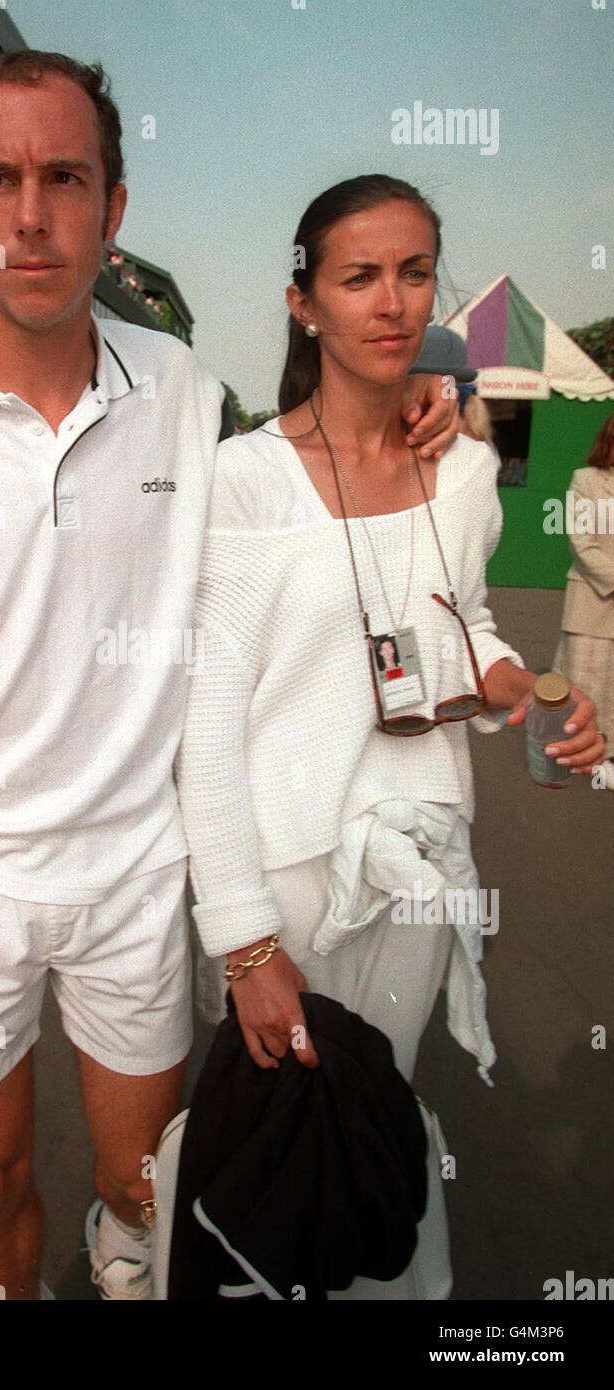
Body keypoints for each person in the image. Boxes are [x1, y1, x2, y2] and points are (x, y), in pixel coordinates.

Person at [0, 58, 459, 1302]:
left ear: (112, 208)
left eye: (64, 179)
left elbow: (303, 474)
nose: (30, 217)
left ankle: (125, 1272)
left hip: (133, 871)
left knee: (145, 1182)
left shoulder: (180, 392)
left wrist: (409, 397)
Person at [175, 174, 604, 1299]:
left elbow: (459, 623)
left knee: (378, 1114)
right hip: (287, 873)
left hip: (419, 857)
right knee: (278, 1135)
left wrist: (532, 686)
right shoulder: (243, 481)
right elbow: (207, 725)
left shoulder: (463, 469)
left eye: (415, 272)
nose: (392, 301)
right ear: (301, 301)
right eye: (358, 275)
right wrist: (247, 942)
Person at [553, 413, 614, 791]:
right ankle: (588, 757)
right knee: (589, 686)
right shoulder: (586, 480)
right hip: (594, 601)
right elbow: (582, 543)